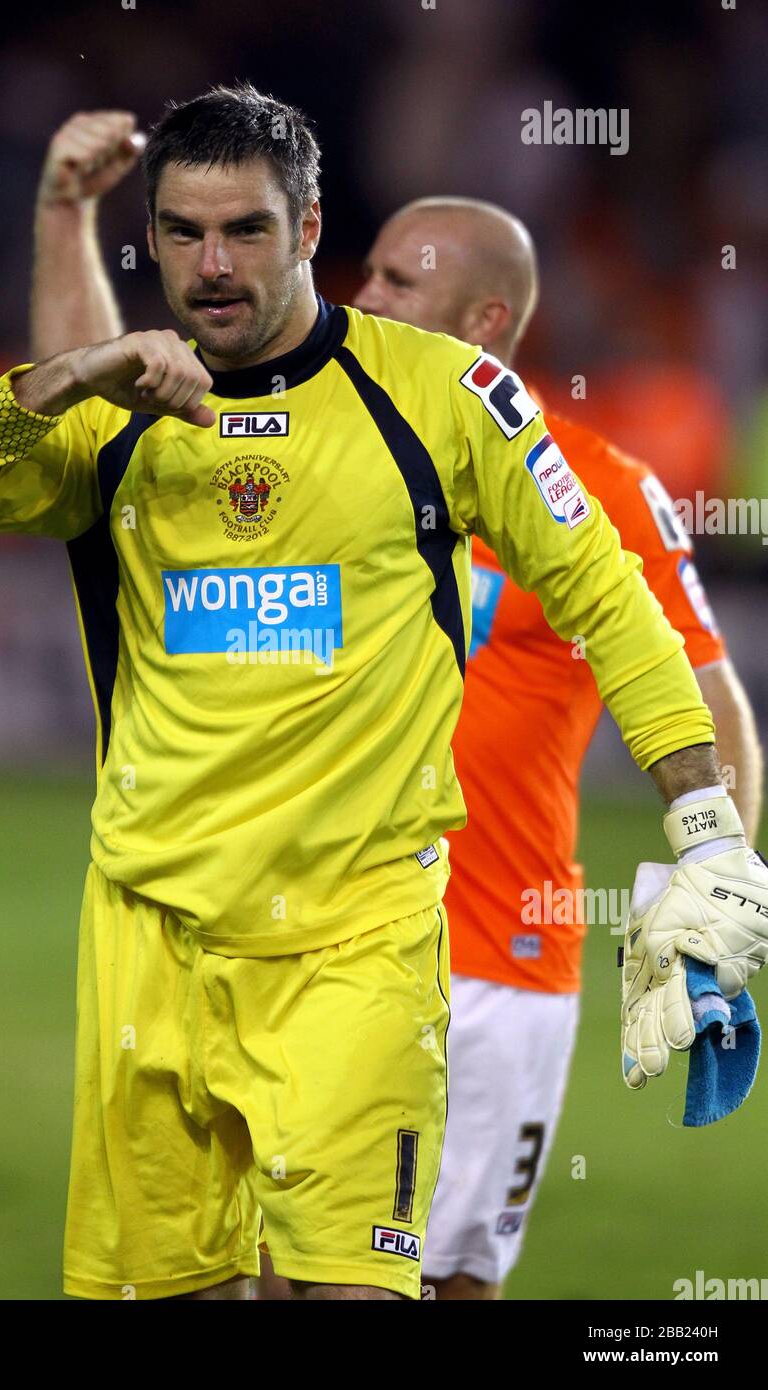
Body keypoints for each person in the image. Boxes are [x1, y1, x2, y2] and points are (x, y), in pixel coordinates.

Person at [0, 83, 768, 1302]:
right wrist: (70, 372)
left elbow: (613, 604)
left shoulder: (443, 397)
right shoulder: (116, 417)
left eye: (246, 231)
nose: (213, 265)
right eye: (182, 234)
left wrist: (705, 830)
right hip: (149, 947)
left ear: (310, 229)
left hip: (358, 944)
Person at [354, 197, 764, 1299]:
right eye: (370, 274)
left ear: (484, 320)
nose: (363, 299)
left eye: (397, 282)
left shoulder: (597, 487)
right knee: (271, 1273)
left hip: (495, 960)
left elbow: (709, 693)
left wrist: (710, 882)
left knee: (448, 1284)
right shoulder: (320, 457)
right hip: (321, 944)